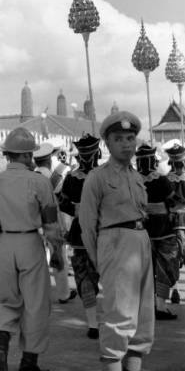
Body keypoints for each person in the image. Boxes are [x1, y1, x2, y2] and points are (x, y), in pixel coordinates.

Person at [79, 111, 154, 371]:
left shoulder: (137, 177)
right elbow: (87, 225)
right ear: (107, 144)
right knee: (119, 314)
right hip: (115, 244)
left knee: (143, 316)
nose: (126, 143)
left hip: (140, 243)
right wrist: (101, 259)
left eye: (130, 138)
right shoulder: (97, 177)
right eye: (119, 138)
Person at [0, 127, 61, 371]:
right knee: (35, 304)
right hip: (30, 243)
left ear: (8, 154)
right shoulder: (39, 182)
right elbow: (51, 223)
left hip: (5, 244)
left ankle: (0, 345)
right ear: (28, 155)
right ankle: (29, 361)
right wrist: (57, 252)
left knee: (5, 300)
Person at [58, 133, 102, 338]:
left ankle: (93, 323)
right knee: (108, 278)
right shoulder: (105, 175)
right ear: (97, 153)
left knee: (85, 278)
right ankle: (110, 321)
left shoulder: (72, 178)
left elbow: (63, 203)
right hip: (105, 233)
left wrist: (78, 209)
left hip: (80, 234)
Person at [134, 143, 179, 321]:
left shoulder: (133, 180)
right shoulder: (161, 179)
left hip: (140, 228)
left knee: (144, 268)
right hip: (163, 229)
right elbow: (172, 202)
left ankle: (145, 305)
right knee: (165, 266)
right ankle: (160, 305)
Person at [33, 142, 76, 304]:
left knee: (37, 259)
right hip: (51, 219)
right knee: (58, 258)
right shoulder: (59, 175)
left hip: (33, 220)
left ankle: (38, 293)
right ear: (50, 160)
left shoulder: (31, 177)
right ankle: (63, 293)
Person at [164, 142, 185, 304]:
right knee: (174, 256)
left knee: (175, 256)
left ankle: (176, 288)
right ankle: (176, 288)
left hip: (171, 220)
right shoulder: (166, 180)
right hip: (176, 220)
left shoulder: (166, 180)